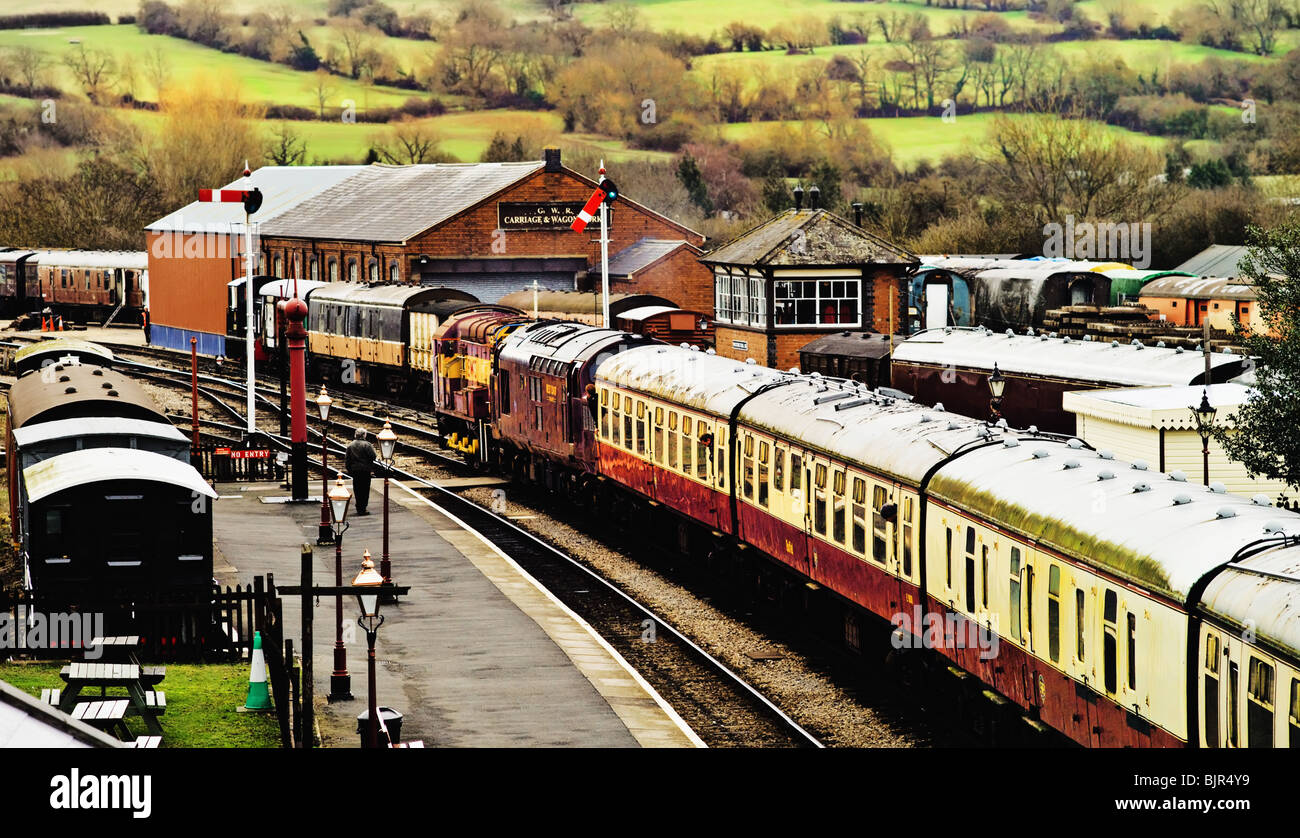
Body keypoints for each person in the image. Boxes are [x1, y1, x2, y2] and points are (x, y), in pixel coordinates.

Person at [346, 428, 377, 515]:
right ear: (364, 435)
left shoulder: (350, 445)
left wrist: (349, 470)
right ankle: (363, 507)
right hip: (365, 470)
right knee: (365, 489)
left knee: (357, 489)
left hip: (355, 471)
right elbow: (373, 456)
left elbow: (347, 459)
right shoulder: (367, 445)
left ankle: (358, 506)